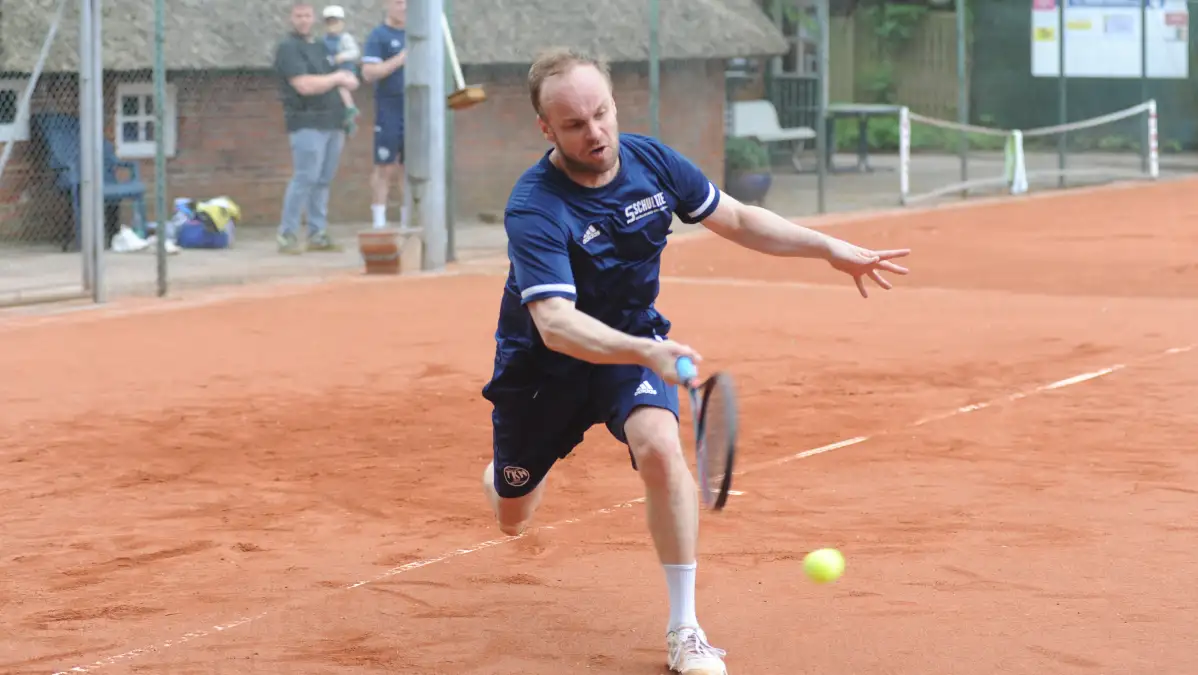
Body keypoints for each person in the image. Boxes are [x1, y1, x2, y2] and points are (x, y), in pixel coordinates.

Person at [479, 48, 910, 675]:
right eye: (574, 124)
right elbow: (555, 325)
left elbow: (735, 218)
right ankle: (507, 477)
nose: (595, 133)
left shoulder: (652, 162)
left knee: (659, 447)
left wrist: (829, 248)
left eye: (601, 113)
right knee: (513, 518)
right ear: (546, 129)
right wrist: (646, 350)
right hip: (544, 369)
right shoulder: (535, 206)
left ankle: (686, 630)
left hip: (631, 347)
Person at [273, 1, 359, 254]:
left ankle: (317, 233)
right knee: (305, 177)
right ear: (292, 18)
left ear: (313, 18)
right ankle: (287, 234)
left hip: (333, 122)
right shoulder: (288, 49)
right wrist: (337, 78)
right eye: (298, 15)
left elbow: (344, 79)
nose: (303, 20)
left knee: (323, 180)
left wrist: (348, 108)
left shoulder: (322, 47)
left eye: (307, 15)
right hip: (306, 122)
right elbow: (304, 85)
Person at [360, 0, 409, 230]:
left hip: (414, 110)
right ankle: (379, 222)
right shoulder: (378, 36)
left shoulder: (417, 36)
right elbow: (369, 72)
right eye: (399, 2)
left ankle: (408, 220)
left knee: (411, 169)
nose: (403, 7)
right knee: (385, 167)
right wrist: (401, 58)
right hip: (388, 110)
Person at [321, 4, 362, 136]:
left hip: (346, 71)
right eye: (329, 22)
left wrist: (342, 56)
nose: (332, 25)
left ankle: (350, 108)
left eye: (335, 22)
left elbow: (355, 52)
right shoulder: (323, 40)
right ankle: (346, 120)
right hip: (331, 72)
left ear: (342, 23)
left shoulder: (345, 38)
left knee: (340, 87)